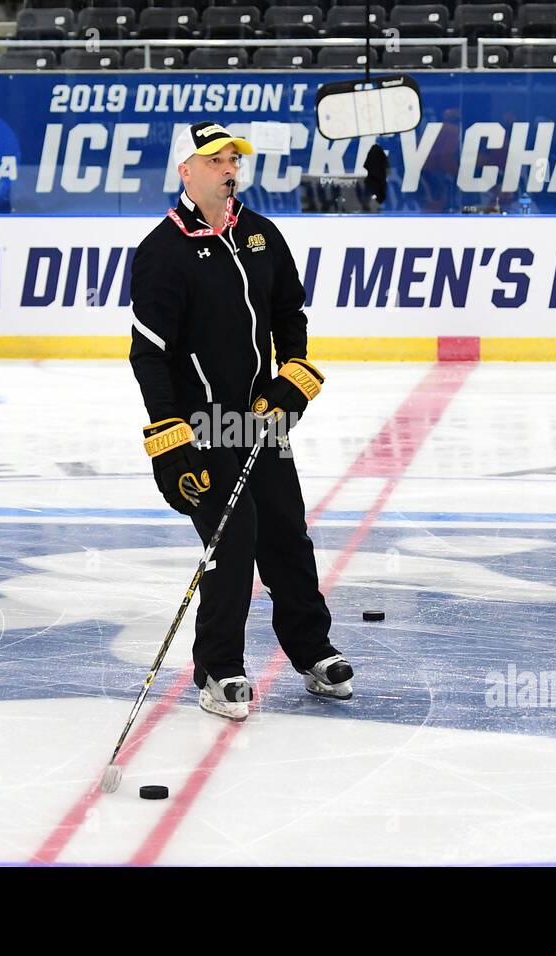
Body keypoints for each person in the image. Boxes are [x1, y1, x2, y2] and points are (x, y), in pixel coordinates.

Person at [128, 120, 353, 721]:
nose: (229, 169)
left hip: (259, 417)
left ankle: (313, 650)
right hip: (203, 425)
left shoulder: (259, 234)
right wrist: (170, 443)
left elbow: (288, 312)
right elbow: (148, 354)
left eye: (234, 159)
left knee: (286, 531)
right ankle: (220, 667)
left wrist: (292, 378)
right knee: (234, 539)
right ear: (186, 172)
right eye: (215, 160)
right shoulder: (163, 251)